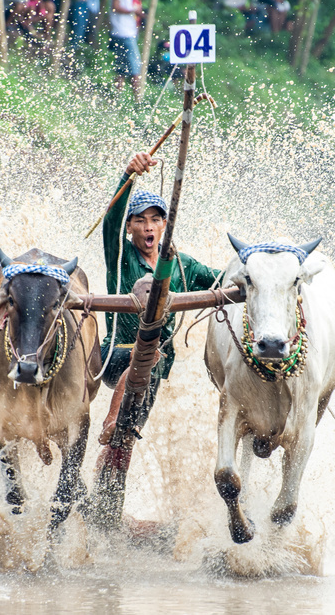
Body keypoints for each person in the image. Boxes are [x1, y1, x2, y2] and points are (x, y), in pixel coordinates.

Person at [92, 152, 220, 499]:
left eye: (155, 220)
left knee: (127, 439)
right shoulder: (119, 253)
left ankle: (104, 499)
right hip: (116, 356)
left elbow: (222, 280)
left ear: (164, 225)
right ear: (131, 227)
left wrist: (260, 275)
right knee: (137, 365)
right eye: (140, 220)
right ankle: (110, 420)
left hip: (156, 367)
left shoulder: (182, 266)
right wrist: (129, 175)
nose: (148, 227)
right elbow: (110, 221)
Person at [109, 0, 147, 100]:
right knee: (135, 69)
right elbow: (115, 6)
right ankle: (138, 101)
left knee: (121, 70)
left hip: (125, 32)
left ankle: (115, 98)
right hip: (123, 33)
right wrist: (133, 10)